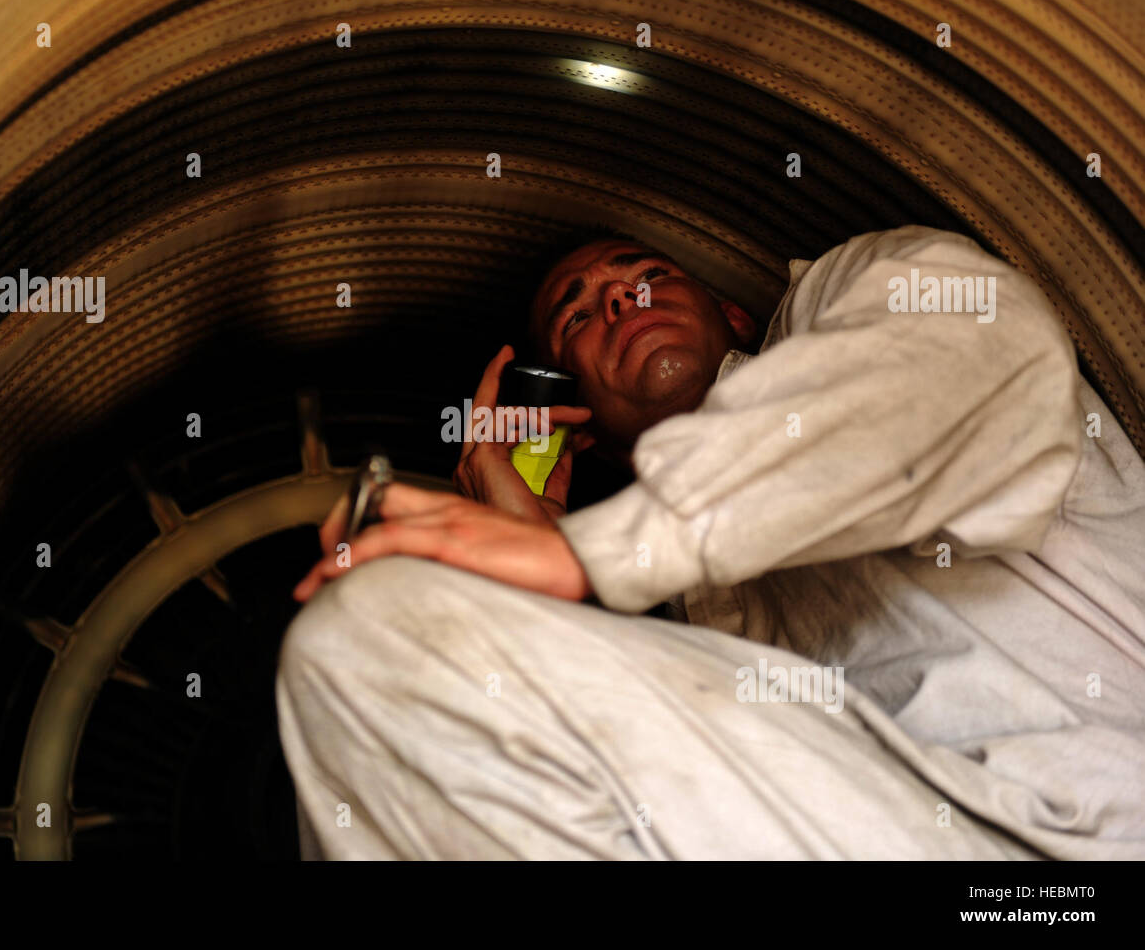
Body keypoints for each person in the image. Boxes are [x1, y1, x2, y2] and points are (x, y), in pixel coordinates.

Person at [278, 224, 1145, 859]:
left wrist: (590, 554)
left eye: (647, 276)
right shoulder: (693, 618)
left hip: (1093, 829)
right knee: (360, 650)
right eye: (577, 317)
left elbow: (971, 341)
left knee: (371, 632)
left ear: (732, 312)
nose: (617, 298)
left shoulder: (838, 300)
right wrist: (529, 558)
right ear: (573, 414)